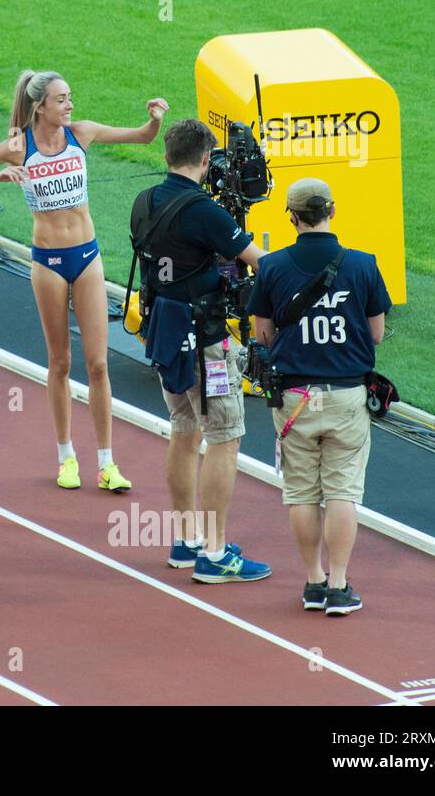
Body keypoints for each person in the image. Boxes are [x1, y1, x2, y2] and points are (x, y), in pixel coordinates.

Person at [0, 70, 168, 492]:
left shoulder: (82, 134)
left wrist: (154, 118)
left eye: (70, 98)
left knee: (98, 364)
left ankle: (106, 463)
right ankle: (66, 456)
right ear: (40, 106)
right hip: (47, 261)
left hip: (87, 257)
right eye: (61, 100)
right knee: (60, 363)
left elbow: (142, 137)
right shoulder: (17, 147)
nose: (69, 106)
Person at [129, 119, 270, 582]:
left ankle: (187, 540)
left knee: (183, 428)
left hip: (165, 335)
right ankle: (215, 553)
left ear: (168, 153)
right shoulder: (205, 211)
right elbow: (258, 263)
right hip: (205, 340)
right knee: (225, 437)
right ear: (207, 160)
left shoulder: (142, 201)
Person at [245, 178, 392, 615]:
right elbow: (377, 334)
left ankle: (313, 583)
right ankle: (340, 587)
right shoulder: (364, 265)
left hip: (294, 401)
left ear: (291, 217)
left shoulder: (271, 268)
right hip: (347, 397)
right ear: (332, 210)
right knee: (343, 492)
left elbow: (262, 336)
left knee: (303, 494)